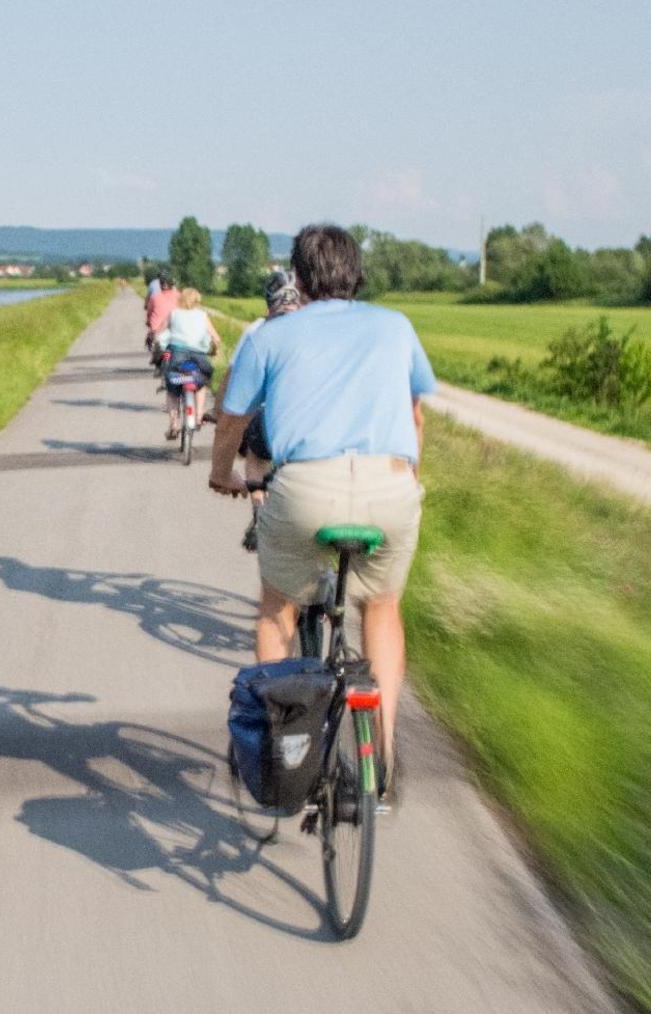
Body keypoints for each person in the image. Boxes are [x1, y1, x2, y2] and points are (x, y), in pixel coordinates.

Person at [207, 225, 435, 806]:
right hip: (390, 486)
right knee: (381, 607)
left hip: (305, 488)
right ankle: (381, 755)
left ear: (300, 279)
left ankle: (283, 745)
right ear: (357, 274)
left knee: (277, 607)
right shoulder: (396, 326)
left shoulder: (272, 335)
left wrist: (222, 473)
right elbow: (415, 417)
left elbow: (232, 418)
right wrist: (407, 479)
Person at [231, 269, 303, 550]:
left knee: (255, 457)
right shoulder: (315, 328)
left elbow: (236, 378)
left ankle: (259, 508)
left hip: (268, 419)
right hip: (310, 421)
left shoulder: (257, 330)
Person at [159, 286, 222, 439]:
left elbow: (160, 332)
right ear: (197, 301)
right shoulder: (203, 315)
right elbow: (216, 338)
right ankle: (199, 416)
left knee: (172, 389)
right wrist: (214, 349)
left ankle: (174, 424)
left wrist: (159, 341)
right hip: (199, 359)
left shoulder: (174, 314)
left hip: (176, 357)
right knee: (201, 383)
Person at [144, 272, 178, 356]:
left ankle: (155, 354)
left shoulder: (154, 296)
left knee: (153, 341)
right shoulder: (178, 295)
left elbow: (149, 312)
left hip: (157, 330)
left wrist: (148, 321)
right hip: (175, 329)